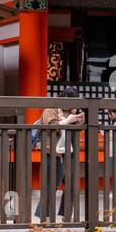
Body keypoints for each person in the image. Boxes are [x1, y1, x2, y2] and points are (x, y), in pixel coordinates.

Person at [34, 88, 83, 220]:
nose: (74, 105)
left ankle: (66, 215)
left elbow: (73, 131)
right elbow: (51, 126)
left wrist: (78, 121)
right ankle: (44, 215)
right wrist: (67, 121)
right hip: (51, 151)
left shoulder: (71, 111)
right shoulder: (51, 108)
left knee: (72, 184)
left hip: (68, 151)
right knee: (51, 184)